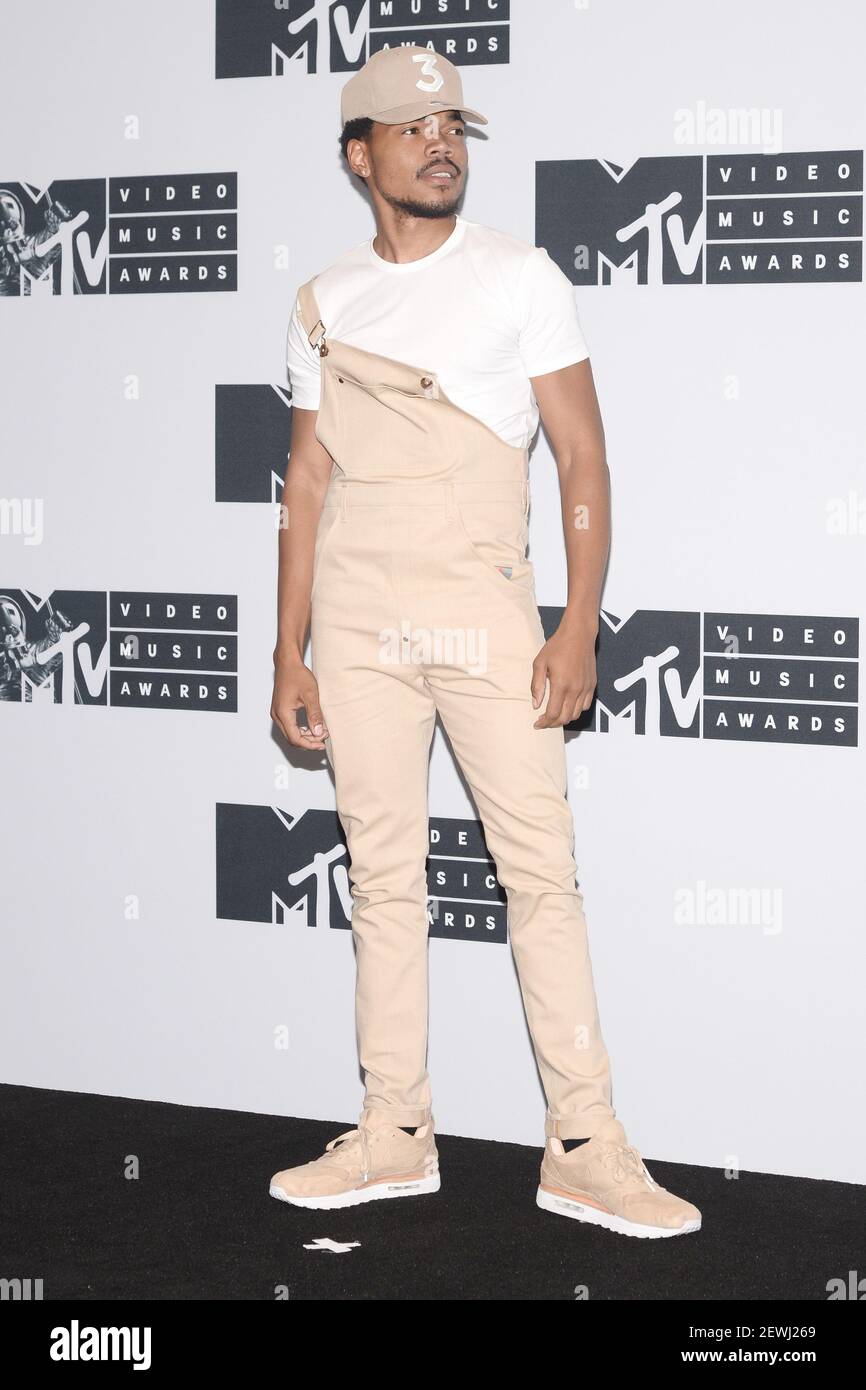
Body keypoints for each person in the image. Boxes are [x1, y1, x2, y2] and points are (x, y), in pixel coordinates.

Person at [268, 45, 701, 1239]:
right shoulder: (321, 301)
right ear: (359, 156)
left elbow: (580, 458)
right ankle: (392, 1130)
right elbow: (305, 478)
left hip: (485, 610)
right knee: (383, 878)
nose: (437, 141)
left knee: (541, 880)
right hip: (353, 623)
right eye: (410, 129)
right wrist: (286, 650)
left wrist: (574, 620)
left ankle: (583, 1143)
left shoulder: (522, 278)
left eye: (451, 122)